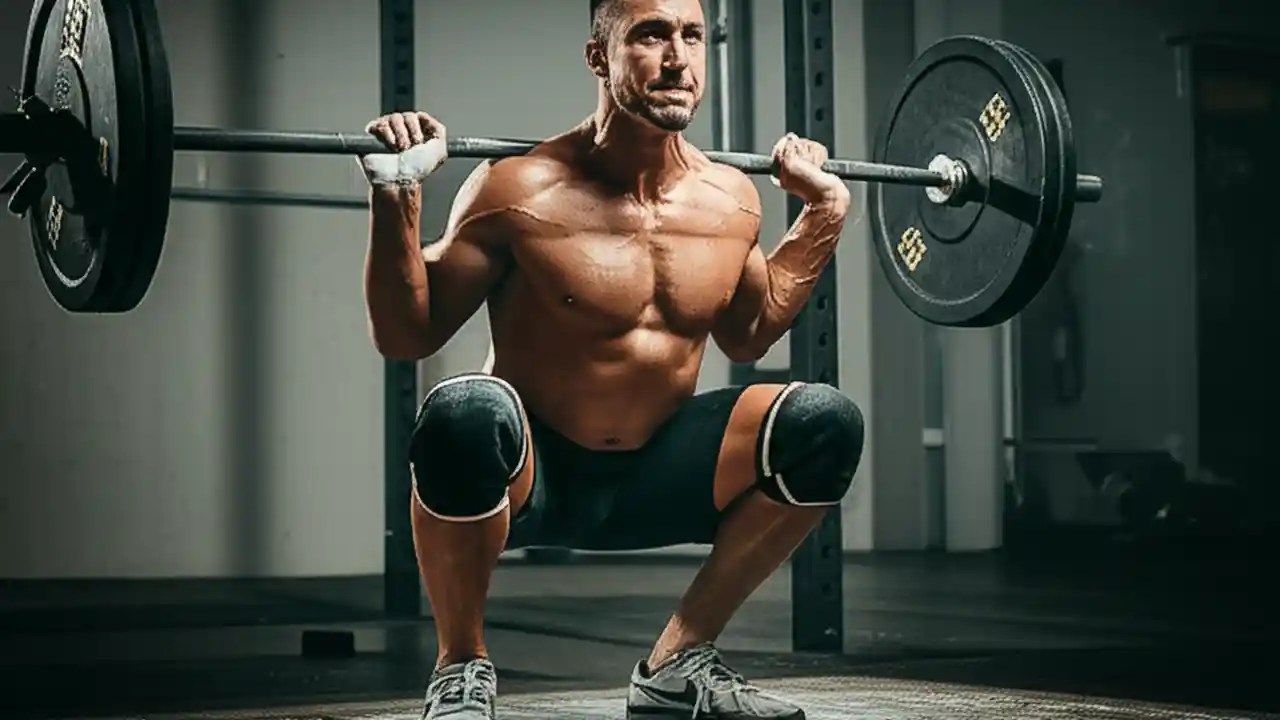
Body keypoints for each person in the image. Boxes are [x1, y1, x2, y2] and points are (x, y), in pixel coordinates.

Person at [358, 0, 863, 717]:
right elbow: (406, 335)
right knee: (463, 413)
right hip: (535, 480)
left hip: (660, 472)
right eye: (651, 35)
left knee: (825, 422)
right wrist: (395, 197)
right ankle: (461, 666)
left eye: (692, 35)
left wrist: (824, 216)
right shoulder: (517, 190)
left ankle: (676, 664)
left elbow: (749, 335)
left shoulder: (730, 198)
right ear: (599, 58)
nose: (678, 58)